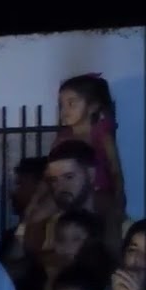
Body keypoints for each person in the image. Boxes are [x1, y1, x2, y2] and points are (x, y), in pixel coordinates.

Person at [51, 73, 125, 211]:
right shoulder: (61, 138)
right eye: (62, 105)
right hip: (69, 199)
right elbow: (49, 174)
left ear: (93, 106)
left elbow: (115, 170)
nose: (64, 111)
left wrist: (119, 200)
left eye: (71, 103)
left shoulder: (101, 133)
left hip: (100, 196)